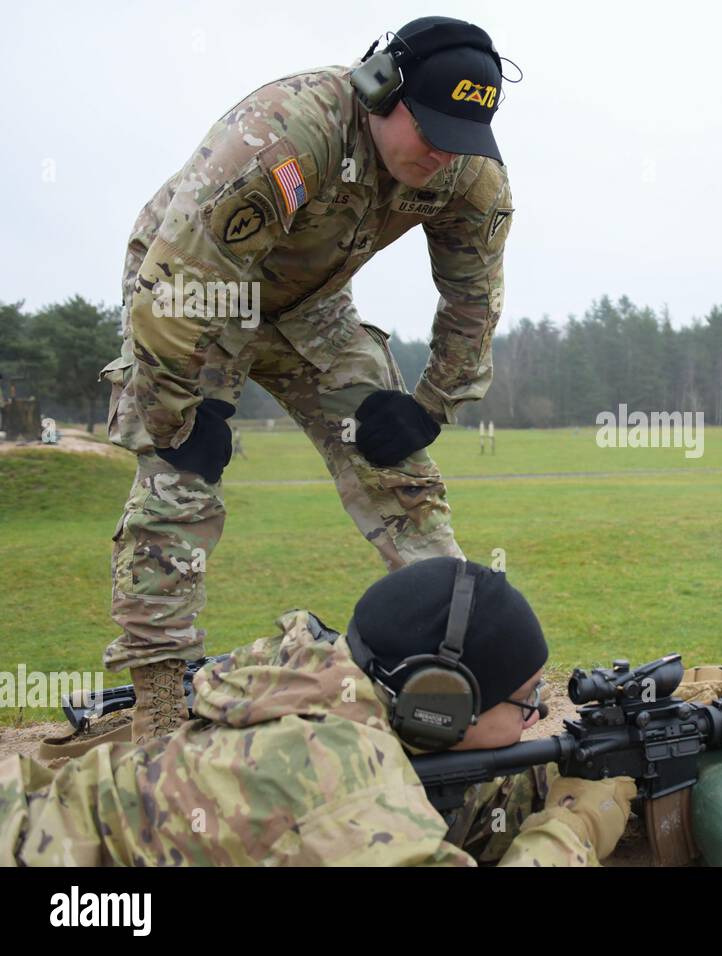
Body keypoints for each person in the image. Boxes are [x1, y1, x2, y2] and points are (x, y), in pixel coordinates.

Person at [100, 16, 517, 743]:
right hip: (201, 292)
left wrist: (431, 404)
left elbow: (472, 299)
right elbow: (179, 282)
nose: (444, 153)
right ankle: (160, 698)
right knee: (177, 482)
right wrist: (173, 417)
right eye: (432, 129)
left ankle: (458, 660)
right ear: (381, 90)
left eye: (463, 136)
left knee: (398, 466)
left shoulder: (466, 172)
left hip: (313, 307)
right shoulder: (286, 135)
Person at [0, 558, 635, 866]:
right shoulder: (339, 786)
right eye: (526, 702)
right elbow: (353, 811)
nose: (537, 714)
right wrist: (572, 829)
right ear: (439, 705)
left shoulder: (315, 671)